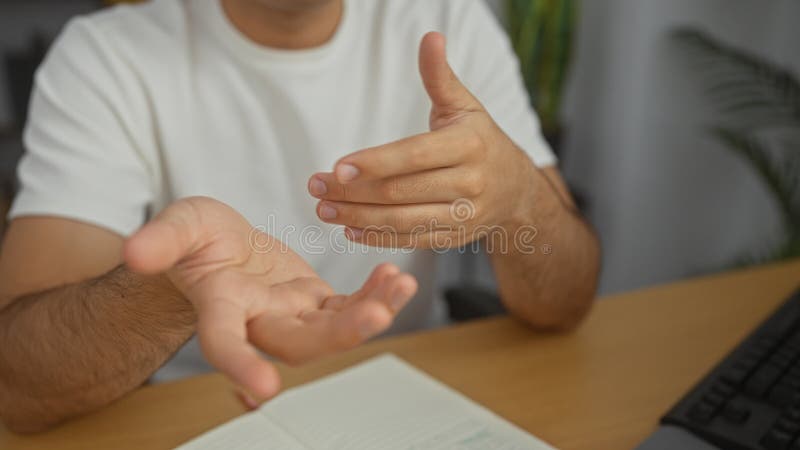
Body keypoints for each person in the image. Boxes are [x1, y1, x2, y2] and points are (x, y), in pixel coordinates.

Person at [0, 0, 600, 433]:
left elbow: (565, 304)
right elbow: (17, 388)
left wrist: (519, 197)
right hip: (200, 409)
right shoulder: (106, 56)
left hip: (410, 395)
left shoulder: (451, 22)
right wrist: (173, 287)